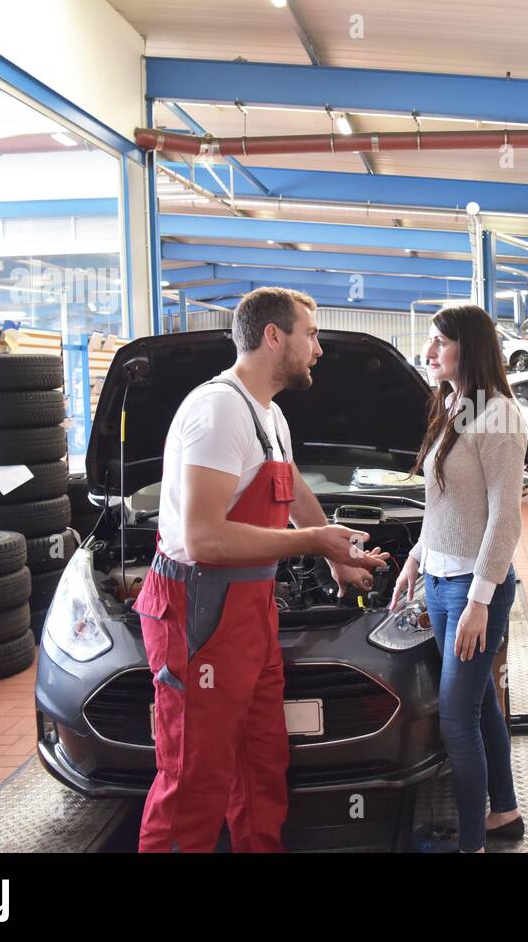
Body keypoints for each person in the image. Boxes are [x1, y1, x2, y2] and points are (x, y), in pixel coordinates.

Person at [135, 286, 387, 853]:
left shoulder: (268, 414)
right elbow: (203, 538)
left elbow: (290, 487)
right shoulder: (218, 409)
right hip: (198, 613)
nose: (318, 349)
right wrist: (313, 542)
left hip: (250, 612)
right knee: (194, 780)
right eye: (312, 334)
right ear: (274, 336)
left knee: (260, 761)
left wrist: (335, 556)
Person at [391, 303, 528, 853]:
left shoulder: (499, 415)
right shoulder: (454, 405)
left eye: (439, 342)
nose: (429, 352)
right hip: (442, 582)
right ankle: (507, 813)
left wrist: (478, 601)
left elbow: (504, 516)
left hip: (475, 591)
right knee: (480, 706)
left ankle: (470, 841)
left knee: (455, 721)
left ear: (468, 347)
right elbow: (444, 506)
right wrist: (416, 558)